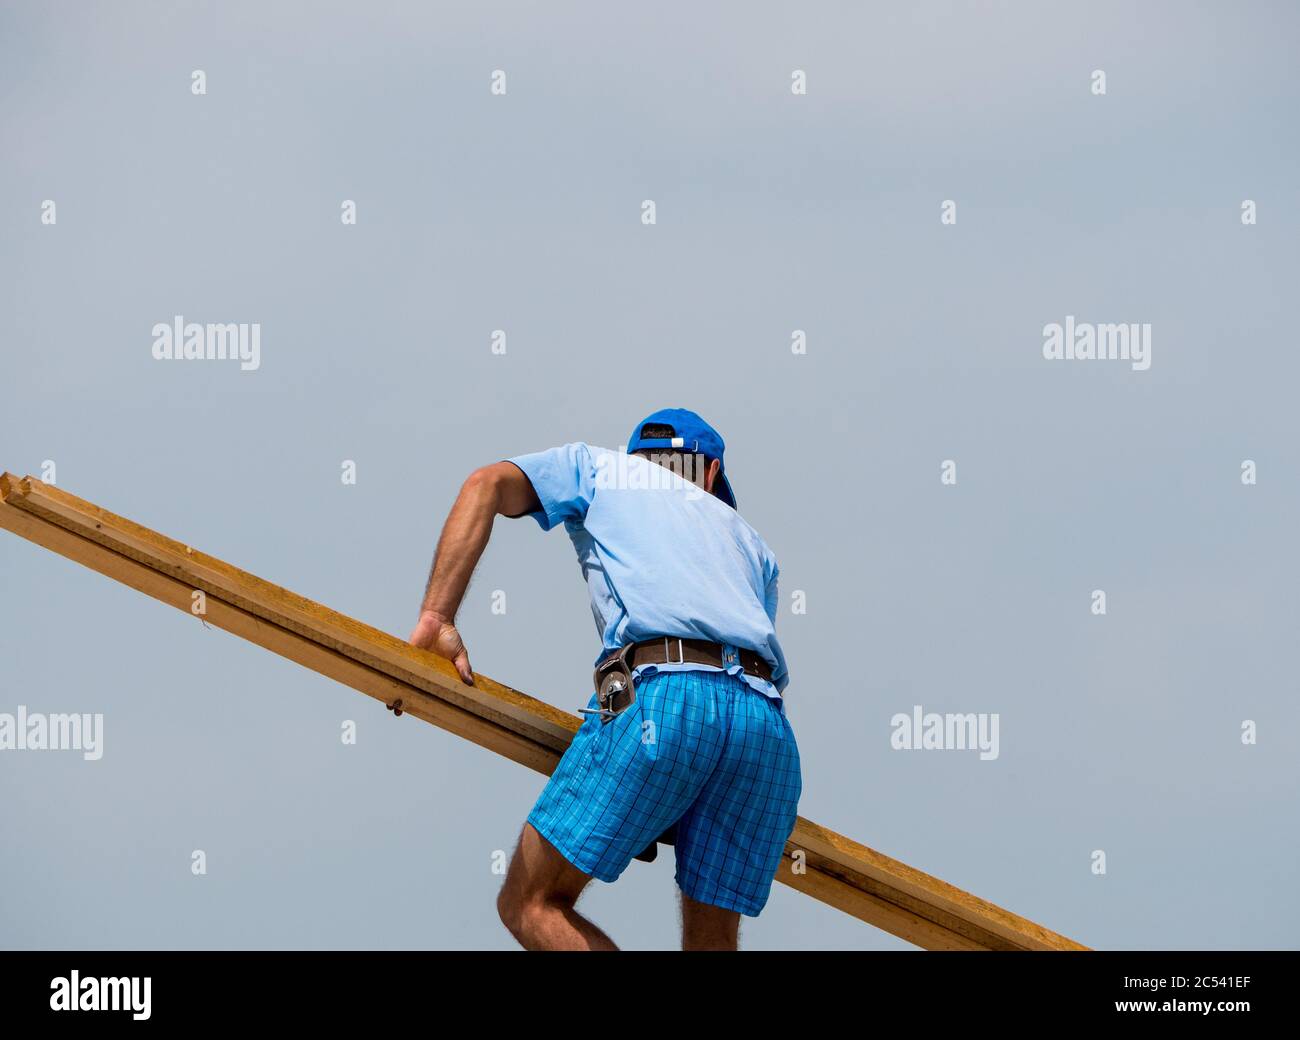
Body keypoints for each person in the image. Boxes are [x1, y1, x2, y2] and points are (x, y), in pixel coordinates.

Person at [409, 408, 801, 950]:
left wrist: (438, 617)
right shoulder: (750, 542)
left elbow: (485, 484)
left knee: (530, 901)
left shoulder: (600, 468)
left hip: (667, 702)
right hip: (766, 732)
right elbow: (738, 663)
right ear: (710, 475)